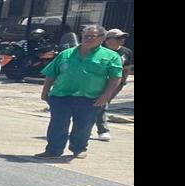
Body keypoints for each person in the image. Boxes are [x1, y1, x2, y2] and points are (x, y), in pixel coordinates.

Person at [33, 25, 121, 159]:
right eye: (86, 36)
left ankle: (78, 148)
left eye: (92, 36)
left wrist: (106, 96)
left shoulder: (111, 56)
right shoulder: (67, 54)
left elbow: (115, 78)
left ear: (102, 38)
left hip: (89, 97)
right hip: (61, 95)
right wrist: (45, 91)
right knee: (58, 123)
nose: (88, 39)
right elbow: (51, 73)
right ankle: (53, 150)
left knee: (83, 125)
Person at [93, 29, 132, 142]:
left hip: (114, 84)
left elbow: (126, 69)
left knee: (102, 105)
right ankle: (102, 130)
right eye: (118, 38)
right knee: (100, 105)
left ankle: (91, 128)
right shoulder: (98, 51)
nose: (122, 40)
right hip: (97, 82)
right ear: (107, 40)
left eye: (123, 38)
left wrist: (122, 83)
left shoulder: (126, 52)